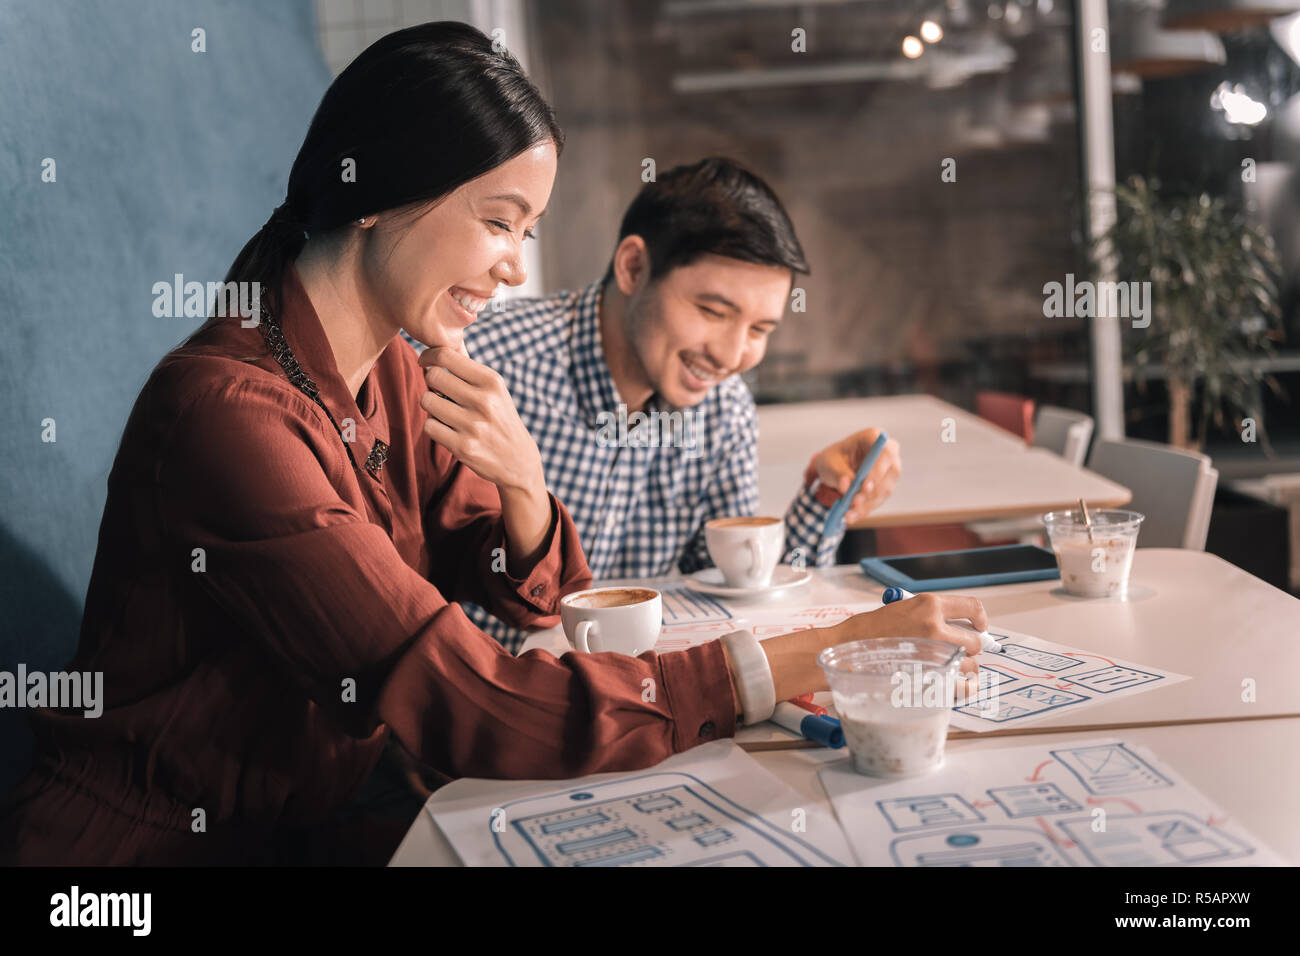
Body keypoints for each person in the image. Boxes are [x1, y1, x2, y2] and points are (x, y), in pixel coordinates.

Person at [0, 22, 981, 866]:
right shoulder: (228, 415)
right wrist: (820, 646)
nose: (514, 267)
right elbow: (466, 696)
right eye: (498, 223)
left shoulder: (389, 367)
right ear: (377, 193)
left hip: (299, 825)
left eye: (529, 229)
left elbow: (532, 591)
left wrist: (519, 478)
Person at [405, 157, 904, 653]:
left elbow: (732, 590)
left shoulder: (723, 409)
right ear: (633, 267)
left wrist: (823, 497)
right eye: (712, 311)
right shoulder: (479, 362)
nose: (732, 357)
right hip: (484, 702)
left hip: (633, 705)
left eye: (759, 330)